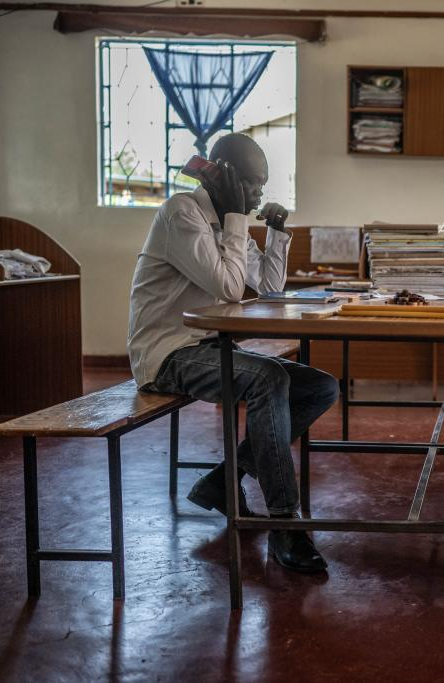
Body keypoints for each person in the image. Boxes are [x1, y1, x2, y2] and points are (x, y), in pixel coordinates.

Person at [127, 133, 338, 574]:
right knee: (270, 379)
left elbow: (270, 286)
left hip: (210, 348)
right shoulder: (181, 213)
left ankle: (225, 480)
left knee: (319, 386)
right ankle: (285, 524)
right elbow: (227, 285)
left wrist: (275, 233)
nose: (259, 192)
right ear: (220, 172)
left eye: (263, 184)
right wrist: (240, 218)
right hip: (167, 354)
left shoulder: (227, 220)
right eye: (251, 181)